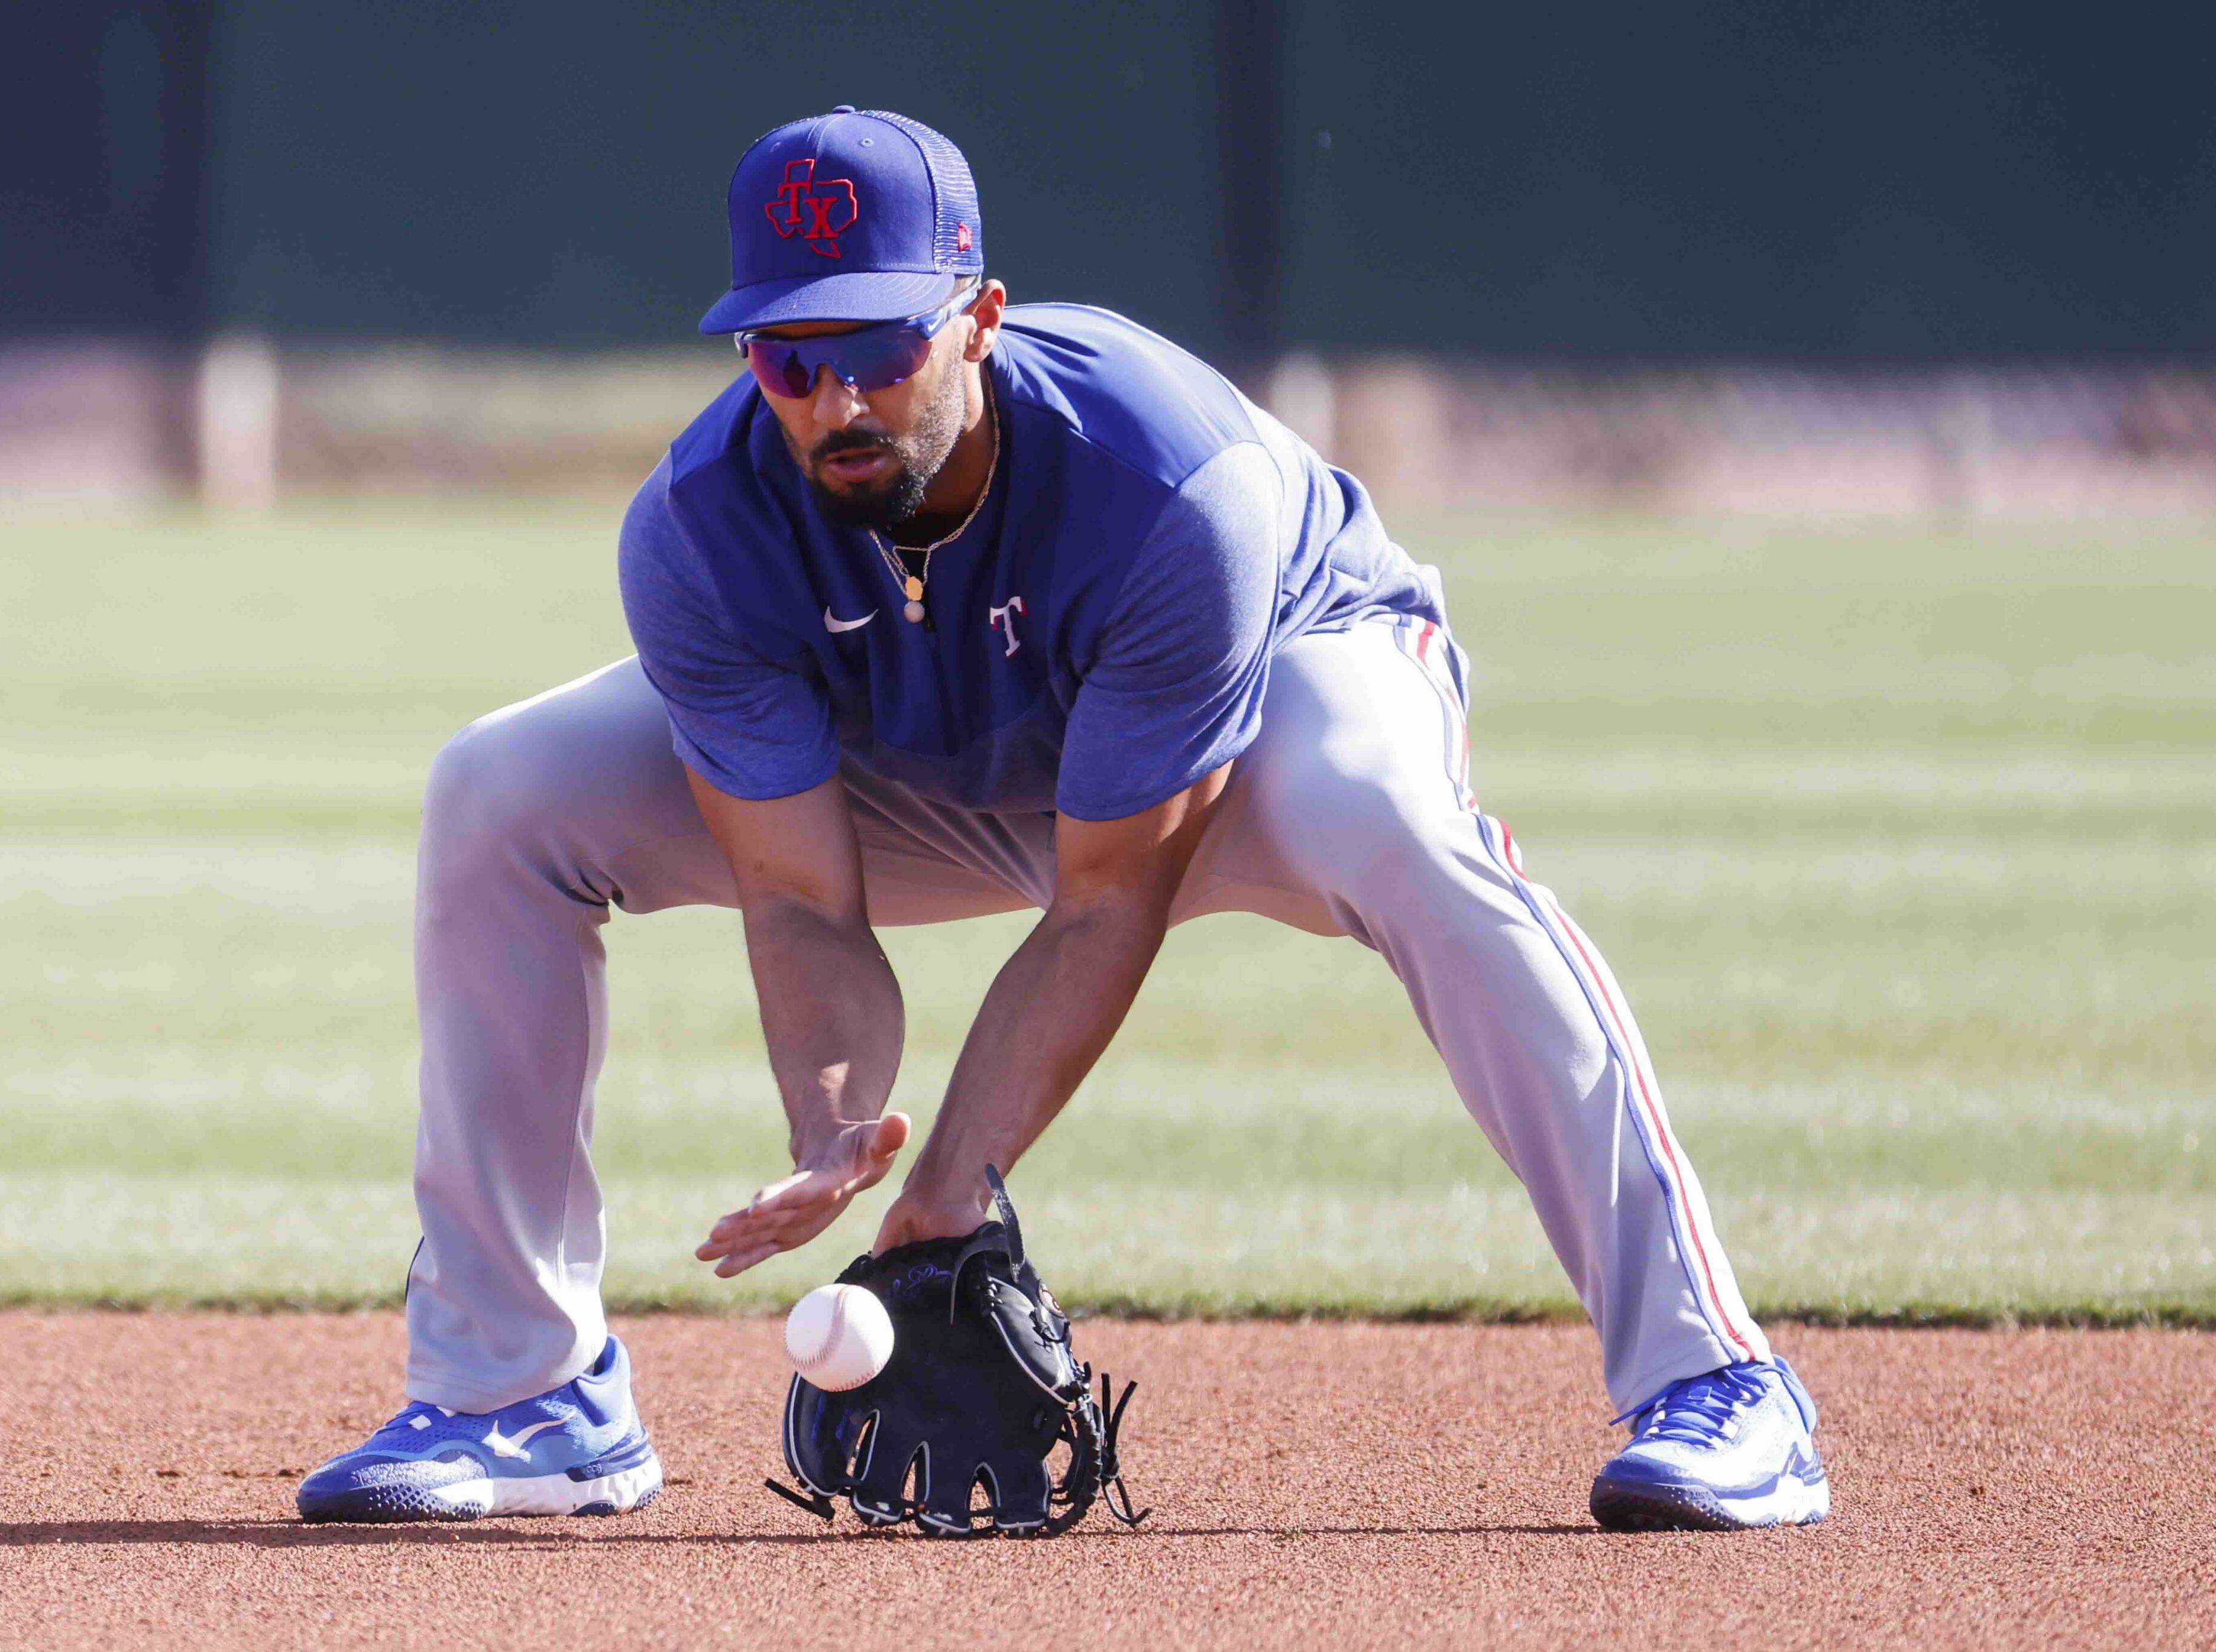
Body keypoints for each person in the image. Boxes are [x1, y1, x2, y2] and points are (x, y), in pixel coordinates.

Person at [296, 106, 1828, 1532]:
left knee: (1389, 820)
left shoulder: (1168, 484)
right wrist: (840, 1128)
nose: (836, 399)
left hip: (1262, 706)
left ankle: (1715, 1379)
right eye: (787, 354)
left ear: (976, 313)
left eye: (882, 343)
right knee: (500, 791)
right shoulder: (703, 528)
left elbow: (1107, 897)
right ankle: (521, 1394)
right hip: (930, 758)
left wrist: (950, 1181)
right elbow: (802, 900)